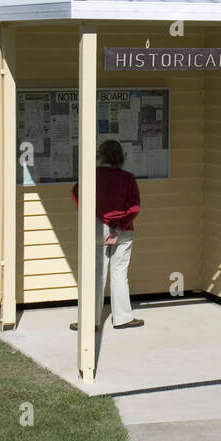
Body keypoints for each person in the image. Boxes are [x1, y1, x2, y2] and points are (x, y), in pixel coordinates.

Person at [70, 139, 143, 330]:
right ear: (120, 156)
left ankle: (89, 320)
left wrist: (88, 216)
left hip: (97, 227)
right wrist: (119, 225)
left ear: (100, 155)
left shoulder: (92, 175)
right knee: (119, 273)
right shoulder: (127, 178)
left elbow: (76, 192)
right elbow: (135, 207)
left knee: (96, 274)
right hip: (123, 230)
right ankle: (123, 318)